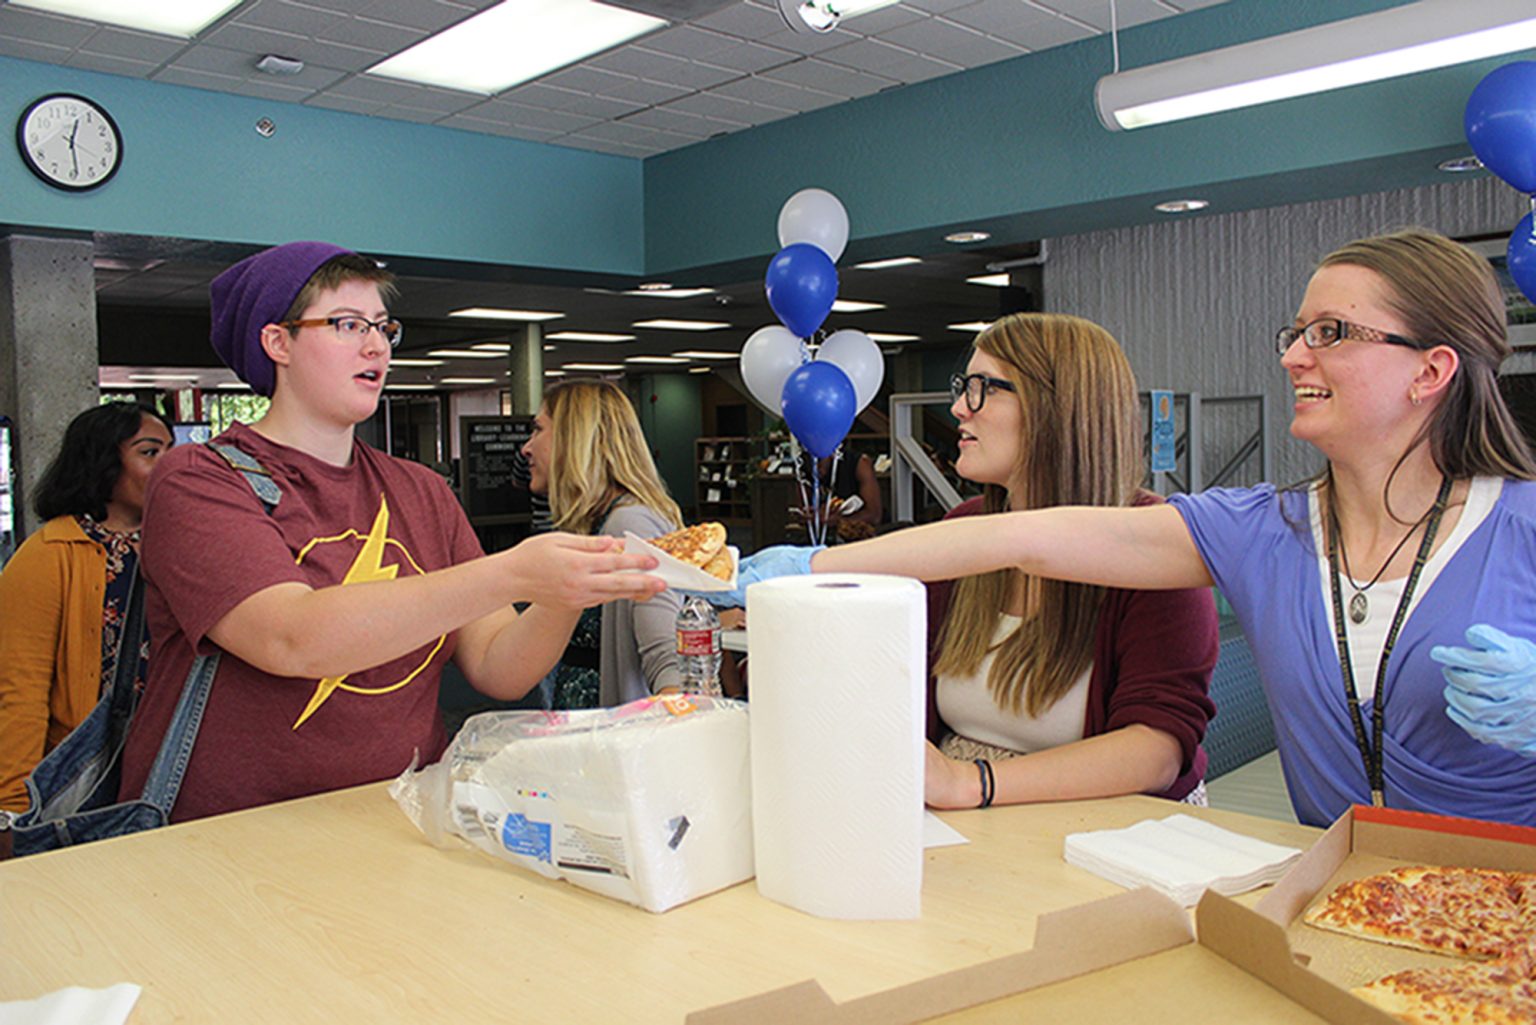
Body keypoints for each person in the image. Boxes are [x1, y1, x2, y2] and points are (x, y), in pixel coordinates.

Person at [736, 229, 1536, 828]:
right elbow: (1017, 538)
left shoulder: (1523, 525)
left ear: (1430, 372)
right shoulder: (1266, 530)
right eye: (1295, 332)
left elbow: (1157, 743)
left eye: (1330, 333)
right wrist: (815, 565)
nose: (1294, 356)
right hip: (1336, 890)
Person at [117, 242, 664, 823]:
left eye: (382, 327)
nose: (376, 345)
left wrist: (562, 593)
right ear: (278, 342)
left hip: (401, 819)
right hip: (233, 836)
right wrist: (513, 571)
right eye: (348, 324)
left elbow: (499, 667)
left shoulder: (421, 490)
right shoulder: (198, 479)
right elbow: (290, 637)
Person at [920, 314, 1216, 809]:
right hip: (963, 822)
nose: (958, 409)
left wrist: (972, 783)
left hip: (1109, 823)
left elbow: (1157, 750)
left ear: (1054, 408)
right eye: (962, 387)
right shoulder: (966, 526)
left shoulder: (1152, 542)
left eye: (982, 389)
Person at [0, 402, 174, 816]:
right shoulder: (50, 554)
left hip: (170, 768)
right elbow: (20, 690)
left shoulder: (180, 548)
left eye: (172, 451)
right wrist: (10, 807)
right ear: (102, 463)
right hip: (90, 778)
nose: (169, 466)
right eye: (150, 452)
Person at [520, 378, 688, 707]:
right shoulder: (595, 522)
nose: (527, 447)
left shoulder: (629, 523)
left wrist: (678, 715)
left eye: (538, 429)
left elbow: (665, 648)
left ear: (574, 438)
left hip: (613, 737)